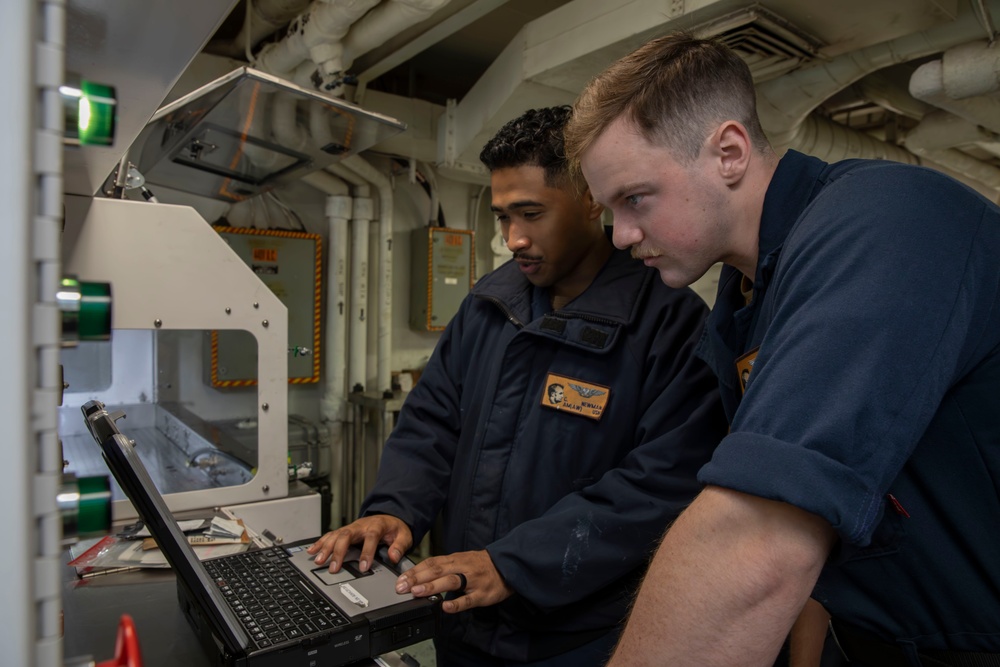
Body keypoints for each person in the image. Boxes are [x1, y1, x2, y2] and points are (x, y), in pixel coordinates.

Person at [564, 30, 1000, 667]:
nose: (624, 235)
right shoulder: (744, 303)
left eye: (635, 199)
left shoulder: (884, 226)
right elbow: (824, 512)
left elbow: (759, 540)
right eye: (611, 210)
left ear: (730, 152)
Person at [307, 105, 727, 666]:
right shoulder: (488, 305)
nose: (513, 239)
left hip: (581, 638)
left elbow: (657, 488)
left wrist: (514, 564)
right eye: (503, 216)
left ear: (588, 197)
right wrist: (396, 510)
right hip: (465, 619)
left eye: (530, 214)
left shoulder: (668, 324)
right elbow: (432, 421)